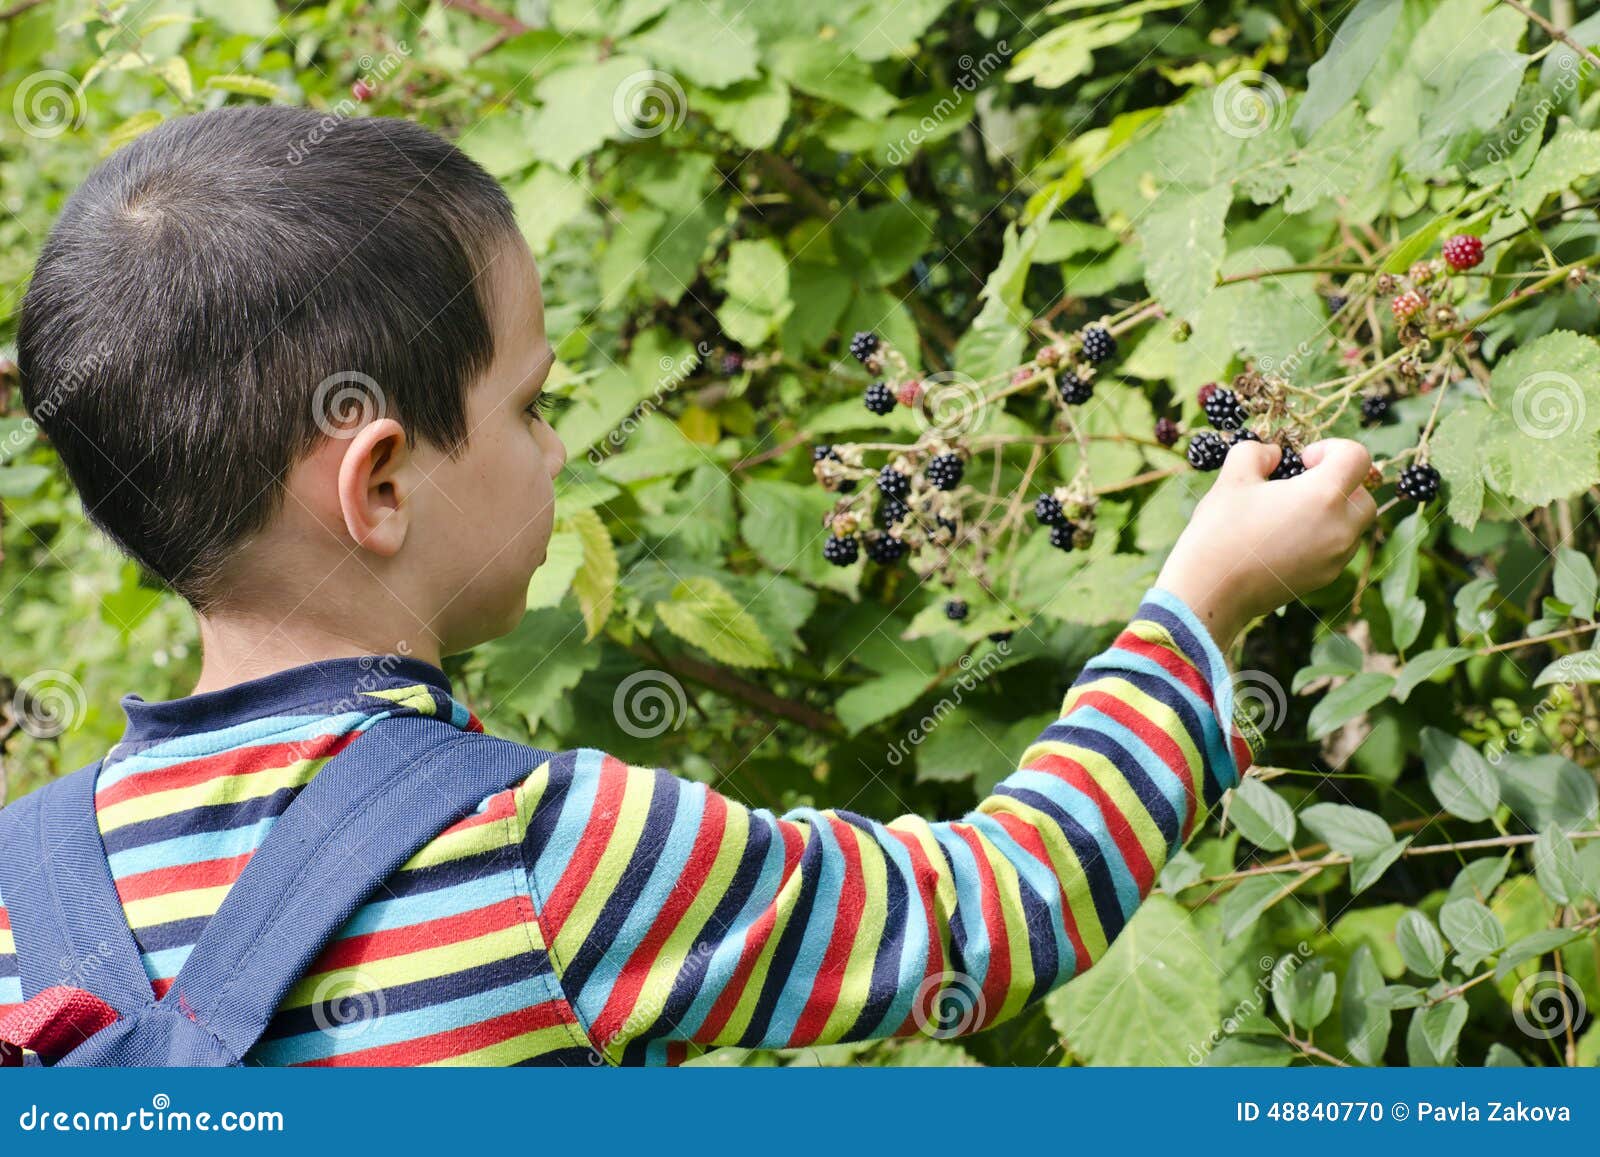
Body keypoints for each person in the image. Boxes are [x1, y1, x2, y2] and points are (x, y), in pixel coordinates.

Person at [0, 108, 1374, 1067]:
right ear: (380, 484)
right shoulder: (545, 854)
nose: (554, 450)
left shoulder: (18, 897)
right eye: (531, 406)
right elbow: (995, 908)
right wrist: (1205, 603)